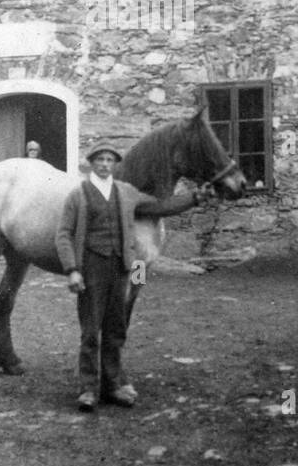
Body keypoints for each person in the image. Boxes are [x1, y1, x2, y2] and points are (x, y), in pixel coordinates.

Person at [56, 142, 203, 411]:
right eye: (99, 159)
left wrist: (193, 198)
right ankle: (88, 389)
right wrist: (72, 270)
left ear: (115, 165)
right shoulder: (78, 195)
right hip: (90, 268)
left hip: (121, 268)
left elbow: (160, 207)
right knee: (90, 330)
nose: (104, 164)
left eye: (109, 160)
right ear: (91, 163)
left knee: (115, 328)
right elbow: (63, 233)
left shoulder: (126, 192)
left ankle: (113, 386)